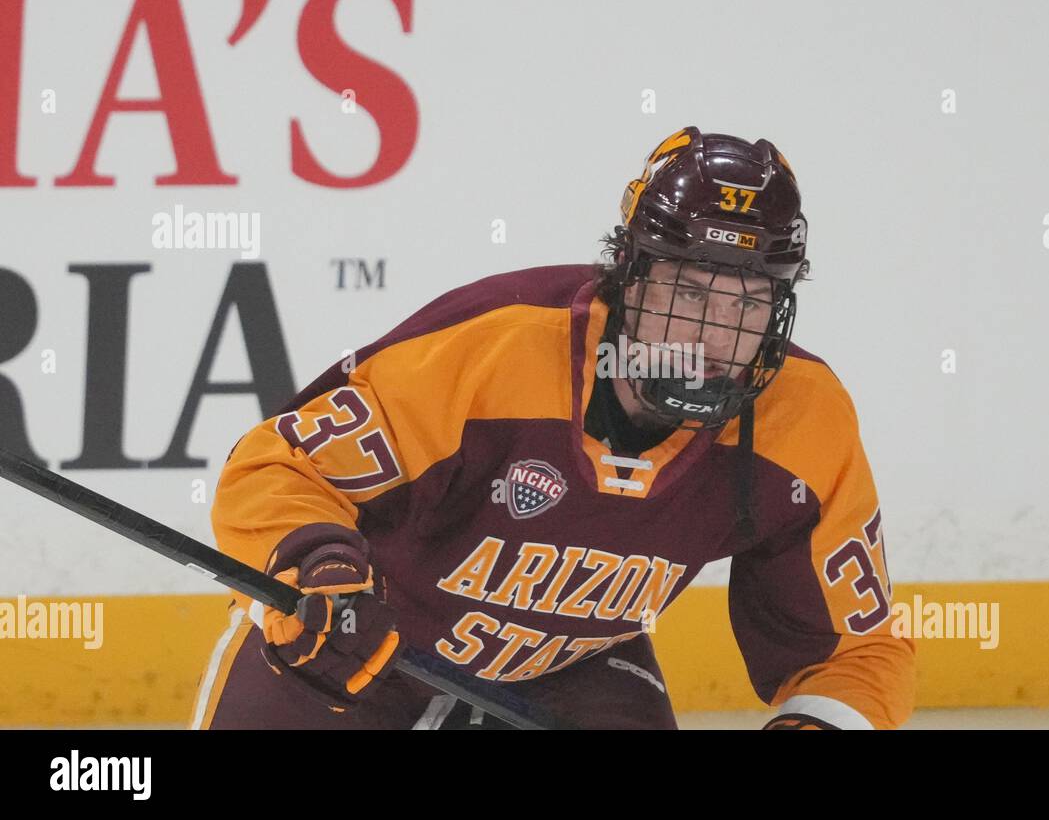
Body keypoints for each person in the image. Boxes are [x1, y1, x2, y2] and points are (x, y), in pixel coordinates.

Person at [190, 126, 915, 730]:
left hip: (570, 675)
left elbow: (858, 650)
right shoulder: (493, 351)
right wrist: (319, 570)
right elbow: (278, 464)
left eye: (748, 302)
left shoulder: (801, 419)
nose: (713, 336)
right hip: (355, 647)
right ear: (628, 275)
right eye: (689, 291)